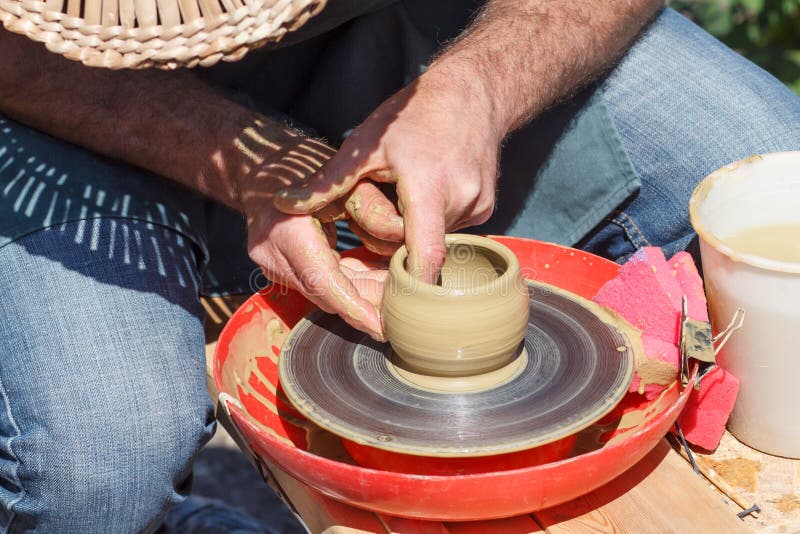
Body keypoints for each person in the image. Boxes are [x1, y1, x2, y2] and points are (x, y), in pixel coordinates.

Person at [0, 0, 798, 531]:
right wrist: (253, 162)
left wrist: (480, 85)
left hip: (394, 20)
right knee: (96, 458)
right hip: (65, 89)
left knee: (768, 177)